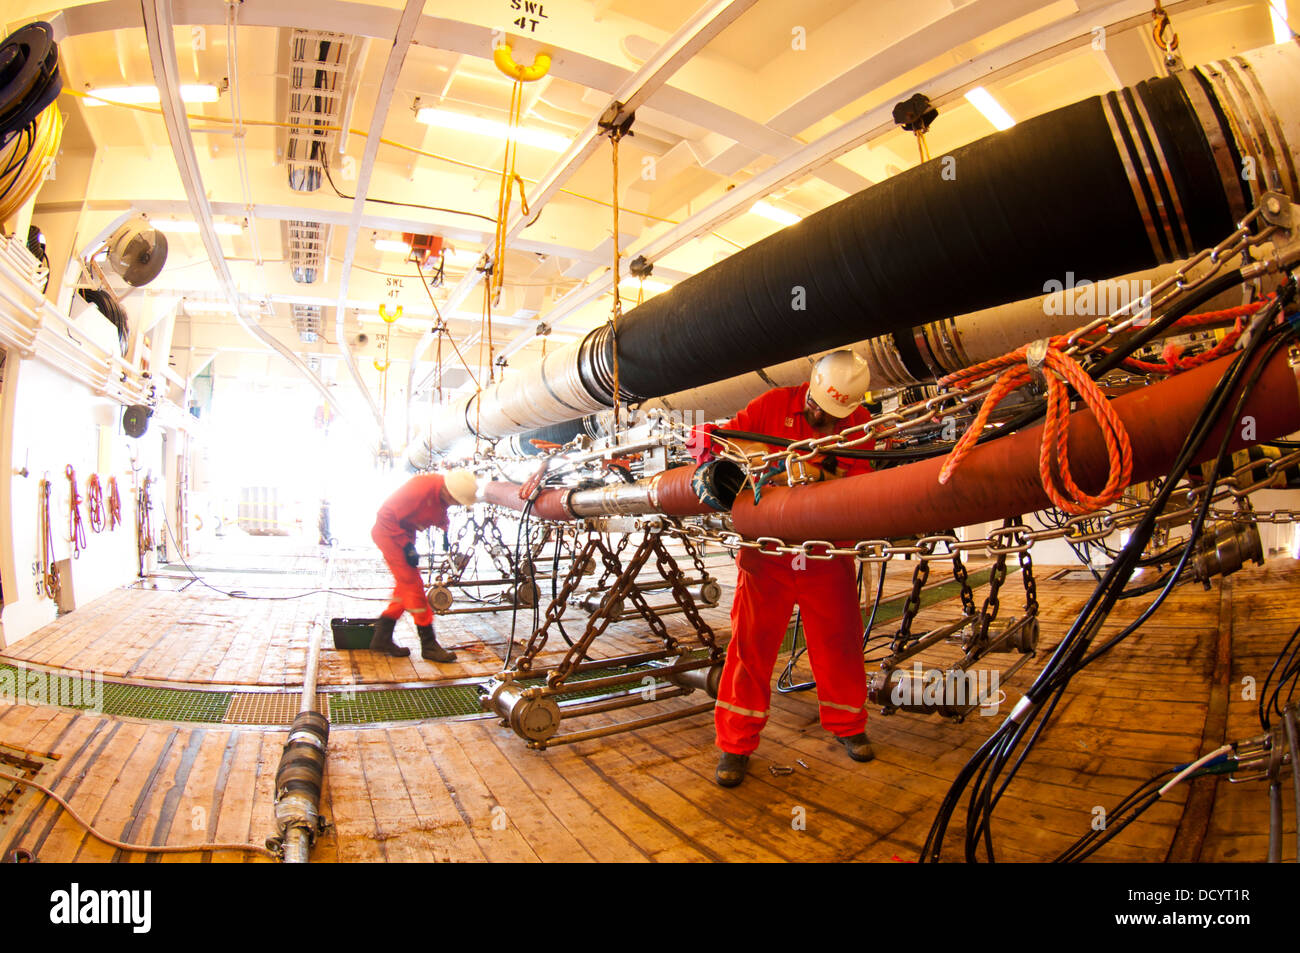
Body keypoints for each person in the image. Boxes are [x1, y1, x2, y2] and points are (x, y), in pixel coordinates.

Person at [700, 351, 876, 787]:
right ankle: (735, 744)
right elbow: (716, 440)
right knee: (749, 648)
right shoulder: (771, 406)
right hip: (768, 553)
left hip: (825, 554)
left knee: (839, 643)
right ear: (810, 388)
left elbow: (863, 487)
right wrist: (774, 464)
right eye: (817, 408)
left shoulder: (862, 426)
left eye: (833, 414)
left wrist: (815, 477)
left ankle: (850, 725)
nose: (821, 418)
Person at [370, 468, 478, 661]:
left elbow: (438, 508)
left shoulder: (443, 492)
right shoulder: (420, 488)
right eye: (455, 501)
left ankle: (382, 636)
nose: (454, 505)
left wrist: (444, 529)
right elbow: (385, 515)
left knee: (404, 587)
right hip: (390, 535)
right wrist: (405, 546)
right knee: (414, 587)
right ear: (448, 492)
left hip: (404, 534)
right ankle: (428, 645)